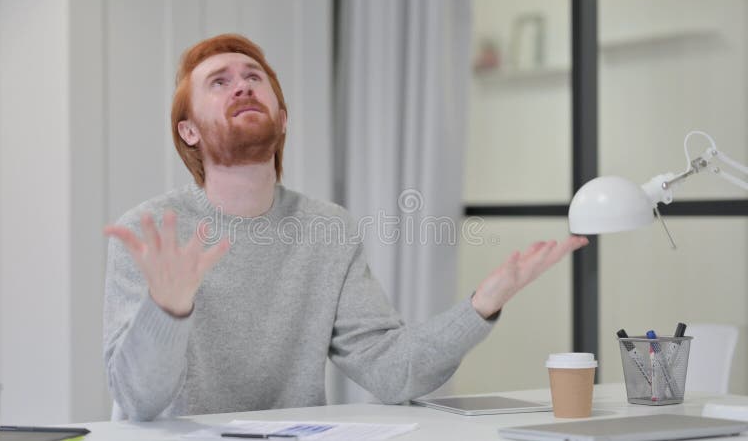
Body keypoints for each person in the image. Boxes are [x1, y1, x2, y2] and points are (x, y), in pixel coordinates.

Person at [103, 33, 588, 421]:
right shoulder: (150, 233)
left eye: (253, 77)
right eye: (219, 82)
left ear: (283, 118)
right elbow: (140, 402)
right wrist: (166, 311)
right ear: (188, 130)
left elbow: (392, 370)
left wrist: (482, 305)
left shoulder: (326, 228)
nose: (242, 85)